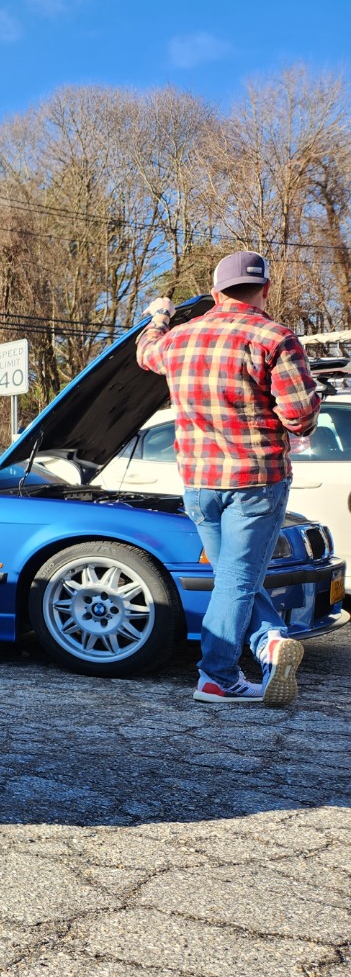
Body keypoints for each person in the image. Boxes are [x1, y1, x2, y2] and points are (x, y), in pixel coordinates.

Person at [137, 250, 320, 706]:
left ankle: (269, 644)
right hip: (256, 482)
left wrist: (160, 315)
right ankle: (217, 675)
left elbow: (145, 354)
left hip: (199, 483)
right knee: (238, 580)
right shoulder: (275, 337)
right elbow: (299, 418)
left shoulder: (178, 338)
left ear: (216, 292)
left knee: (232, 577)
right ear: (265, 290)